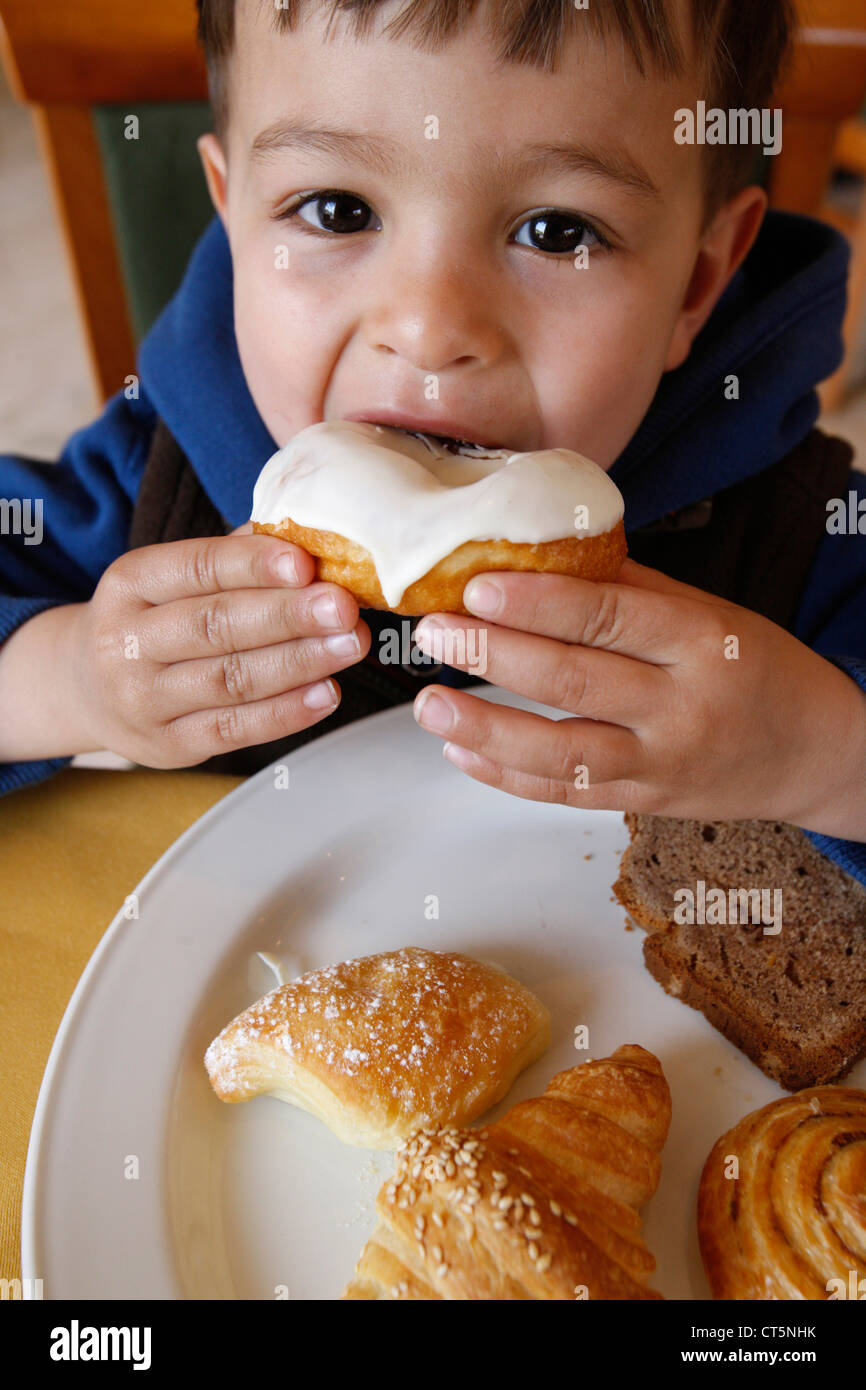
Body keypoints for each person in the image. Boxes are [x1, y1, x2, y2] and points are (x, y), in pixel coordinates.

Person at [0, 0, 864, 883]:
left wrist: (817, 750)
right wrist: (70, 679)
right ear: (232, 214)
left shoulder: (796, 531)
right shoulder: (153, 486)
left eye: (557, 232)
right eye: (337, 210)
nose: (428, 328)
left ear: (697, 281)